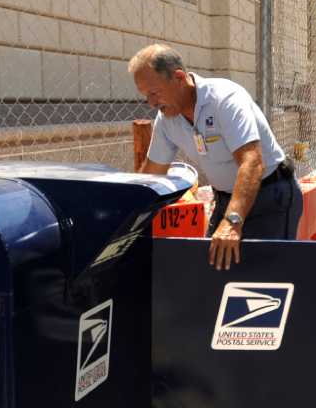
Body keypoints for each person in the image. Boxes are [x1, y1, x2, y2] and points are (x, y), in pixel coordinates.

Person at [130, 44, 303, 270]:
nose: (151, 103)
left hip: (270, 198)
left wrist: (232, 223)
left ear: (179, 78)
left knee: (268, 284)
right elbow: (153, 174)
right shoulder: (167, 119)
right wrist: (125, 218)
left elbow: (252, 162)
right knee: (214, 278)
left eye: (154, 93)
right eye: (146, 96)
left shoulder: (224, 99)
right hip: (225, 201)